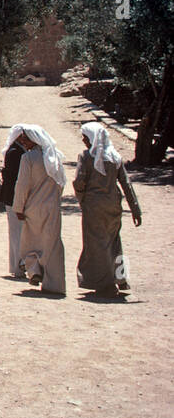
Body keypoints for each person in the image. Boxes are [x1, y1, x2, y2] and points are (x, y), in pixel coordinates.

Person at [73, 122, 142, 298]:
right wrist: (135, 209)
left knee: (97, 244)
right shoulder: (115, 157)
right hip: (113, 206)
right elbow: (126, 183)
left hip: (94, 207)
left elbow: (79, 182)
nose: (83, 140)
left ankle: (105, 284)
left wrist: (83, 200)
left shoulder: (86, 157)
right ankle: (121, 278)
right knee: (114, 240)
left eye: (85, 137)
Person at [10, 124, 67, 295]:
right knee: (51, 245)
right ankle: (55, 284)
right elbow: (61, 182)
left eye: (25, 139)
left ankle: (35, 271)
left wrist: (18, 207)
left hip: (33, 208)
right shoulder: (54, 157)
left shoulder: (28, 158)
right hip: (52, 208)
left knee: (30, 244)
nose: (23, 142)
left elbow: (22, 186)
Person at [0, 127, 28, 278]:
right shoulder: (16, 153)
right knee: (17, 232)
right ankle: (18, 266)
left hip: (14, 197)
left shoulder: (17, 151)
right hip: (14, 198)